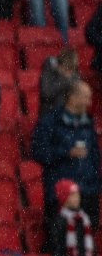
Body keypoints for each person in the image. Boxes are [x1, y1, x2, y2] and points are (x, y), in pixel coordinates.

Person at [32, 81, 101, 223]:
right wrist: (66, 152)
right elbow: (38, 152)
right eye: (85, 98)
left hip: (88, 193)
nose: (89, 103)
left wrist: (95, 186)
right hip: (61, 195)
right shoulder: (50, 122)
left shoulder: (88, 124)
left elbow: (94, 157)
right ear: (72, 98)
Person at [48, 180, 100, 256]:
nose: (76, 198)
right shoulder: (59, 221)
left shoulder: (84, 219)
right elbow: (56, 250)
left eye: (77, 194)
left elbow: (91, 246)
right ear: (64, 198)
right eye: (72, 195)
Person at [39, 48, 81, 117]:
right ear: (59, 65)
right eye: (65, 70)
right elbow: (46, 93)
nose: (68, 74)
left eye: (71, 70)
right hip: (50, 111)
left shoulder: (73, 73)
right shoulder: (49, 68)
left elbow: (78, 92)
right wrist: (64, 80)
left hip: (69, 113)